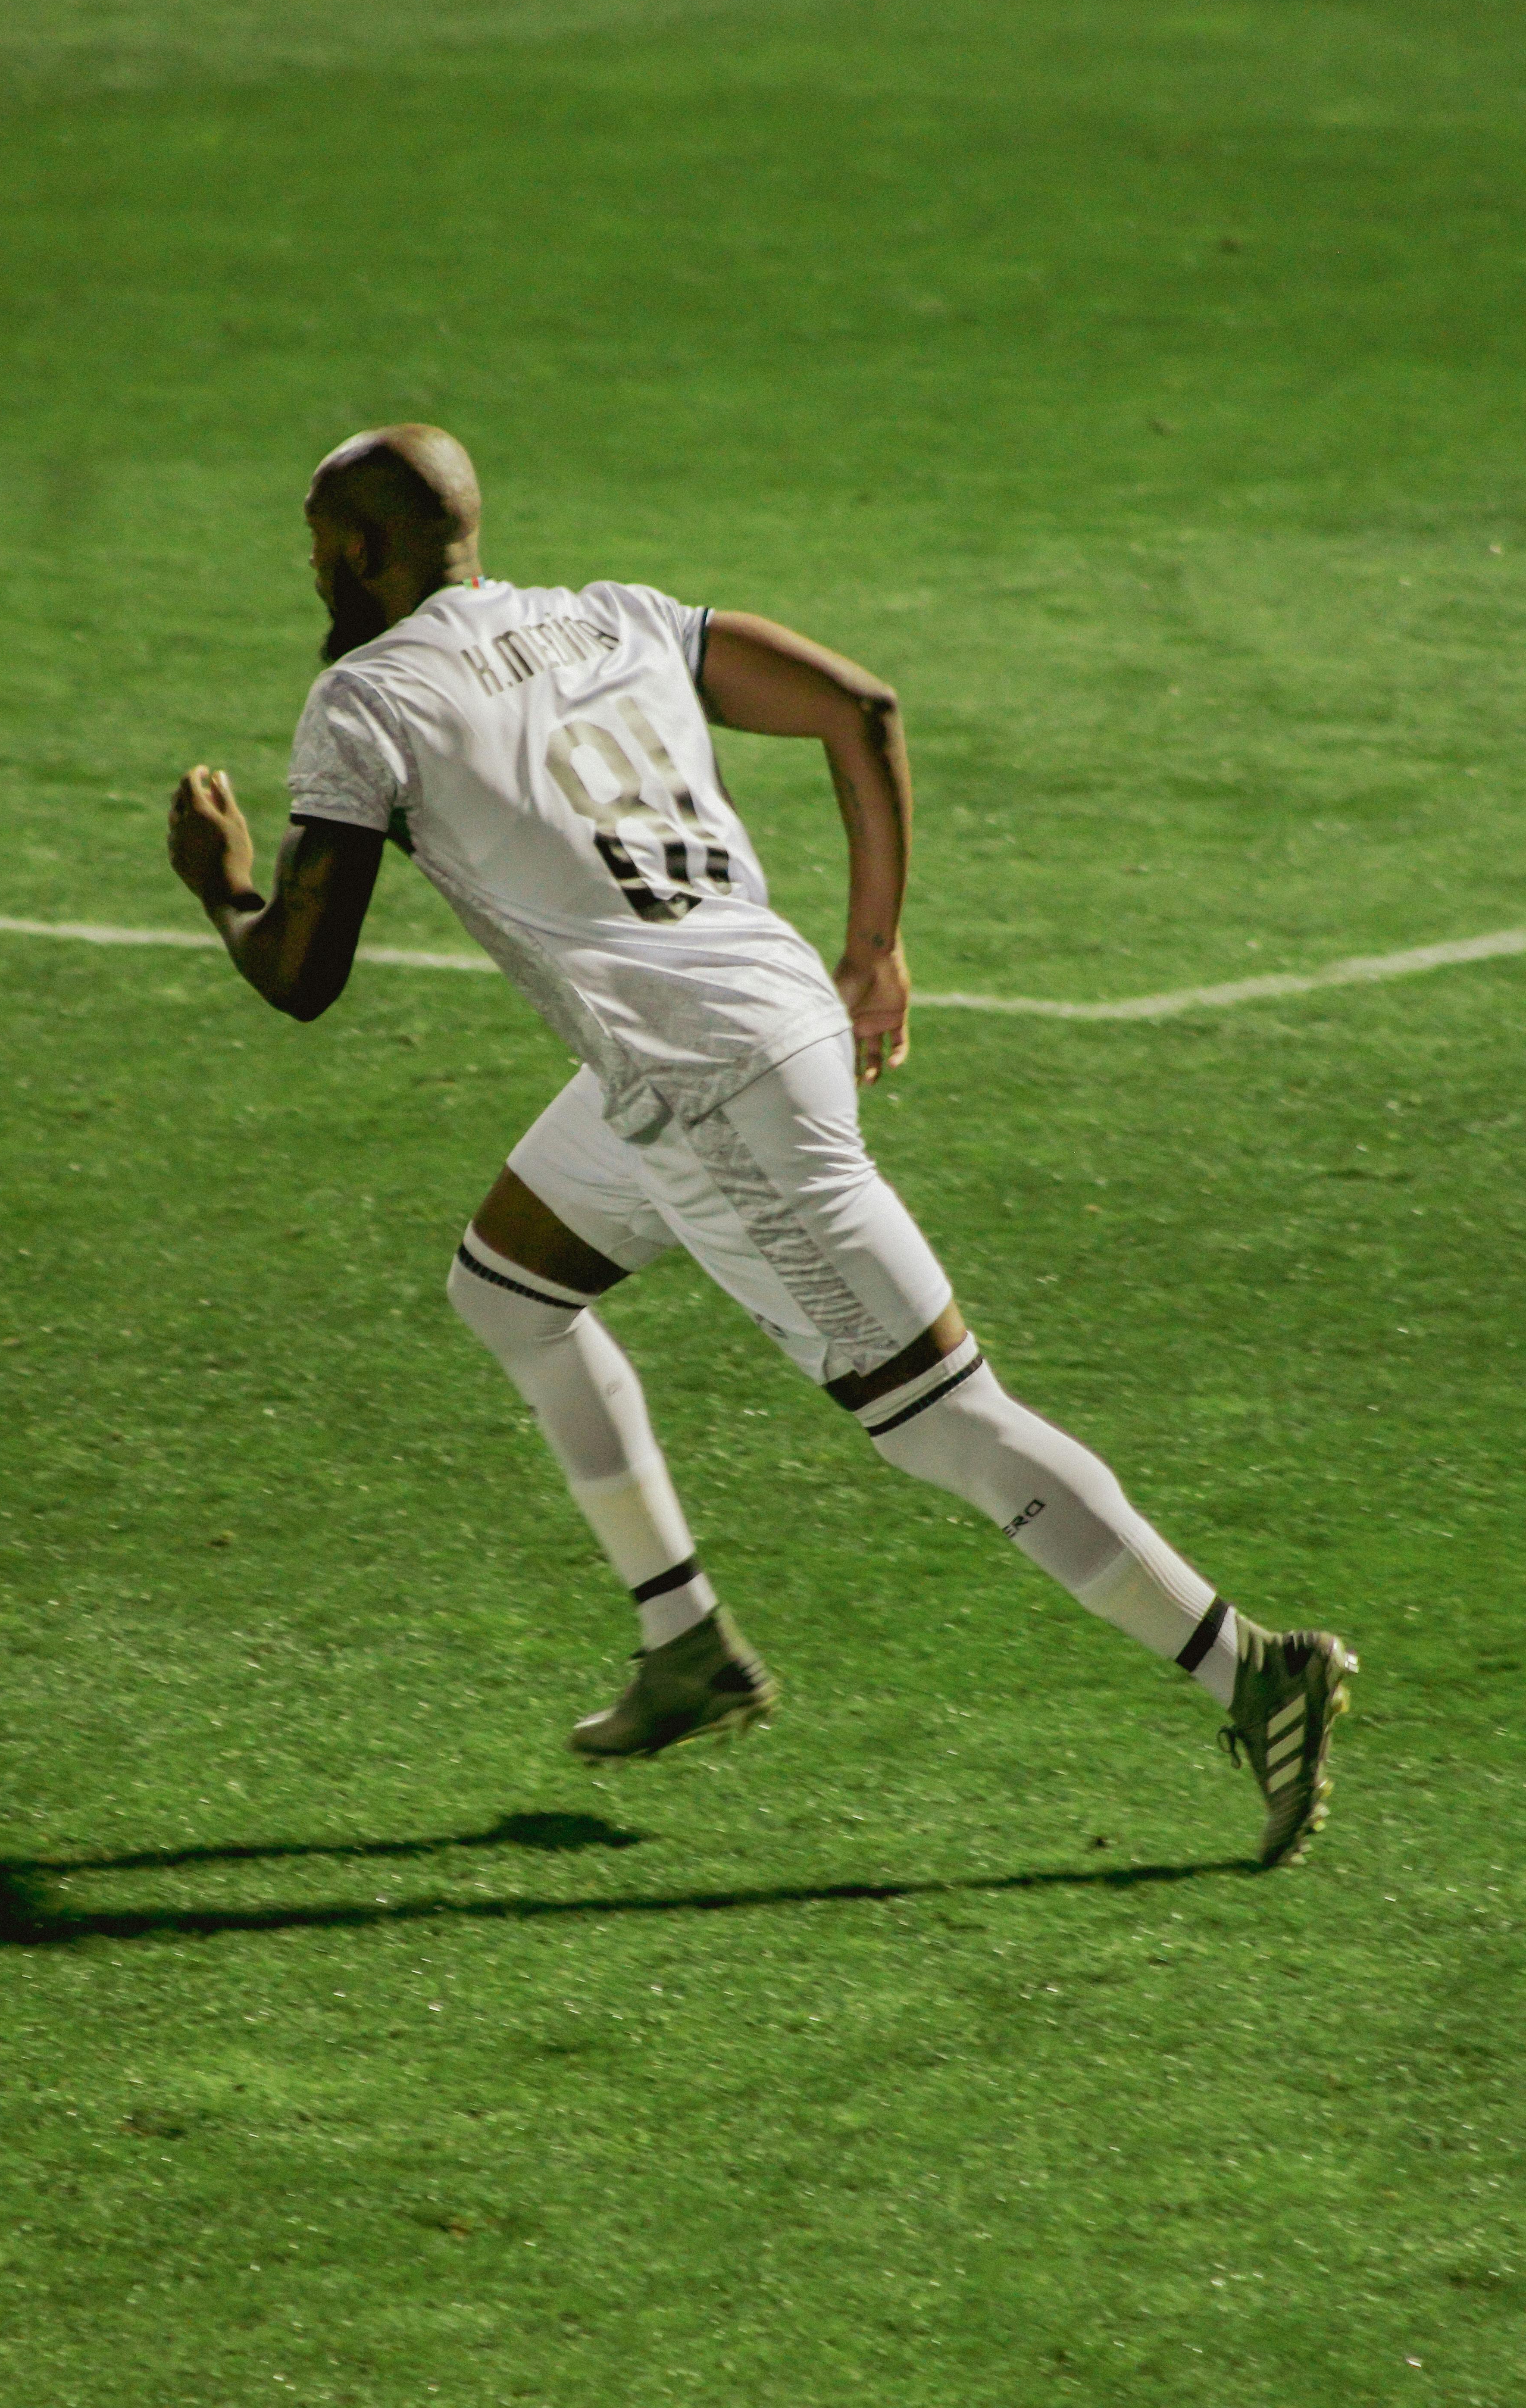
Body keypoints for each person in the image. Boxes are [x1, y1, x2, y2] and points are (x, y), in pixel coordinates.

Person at [167, 422, 1355, 1868]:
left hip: (701, 1088)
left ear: (359, 550)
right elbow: (861, 707)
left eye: (314, 544)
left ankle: (1251, 1668)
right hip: (761, 1008)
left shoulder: (364, 704)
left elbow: (303, 974)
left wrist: (223, 888)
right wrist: (877, 950)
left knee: (946, 1418)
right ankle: (684, 1641)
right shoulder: (618, 618)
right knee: (509, 1288)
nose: (309, 571)